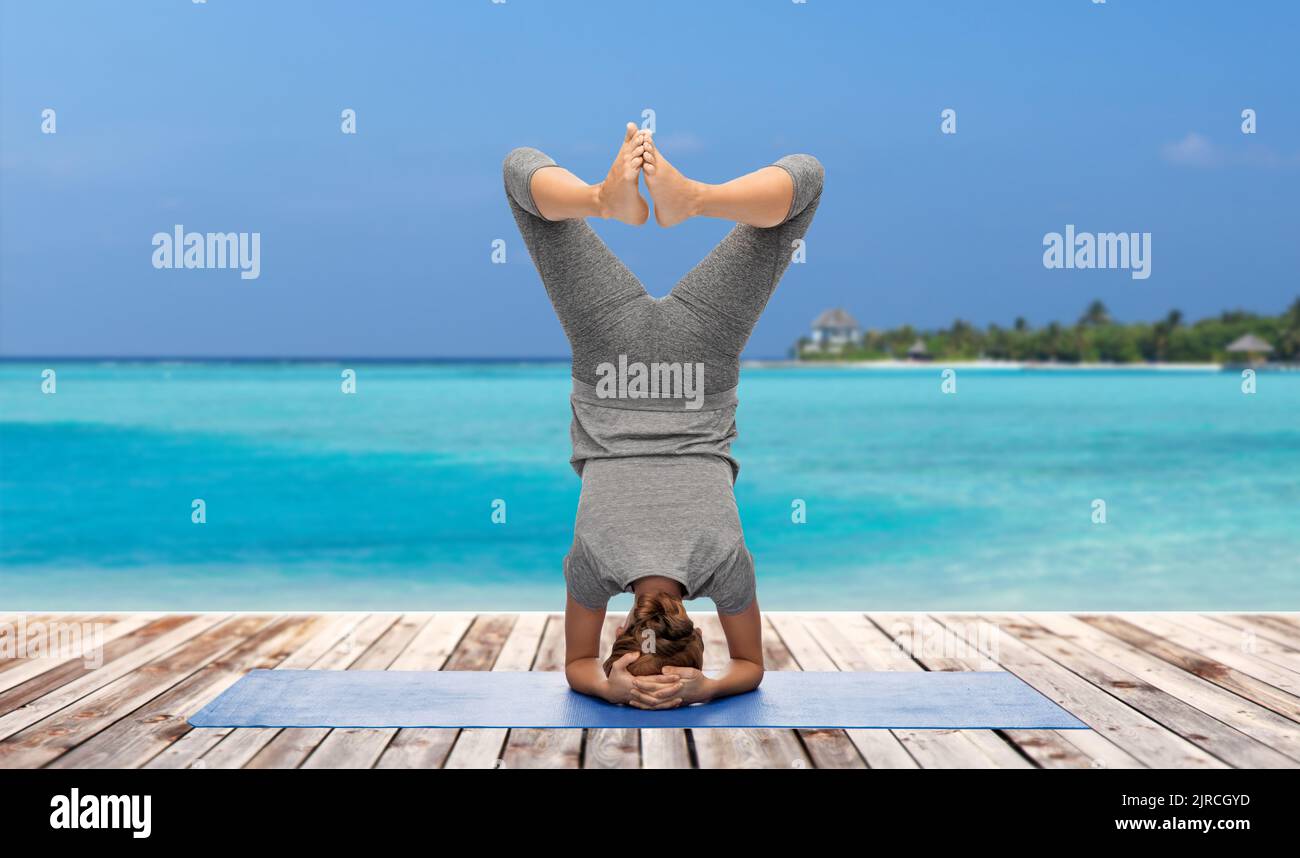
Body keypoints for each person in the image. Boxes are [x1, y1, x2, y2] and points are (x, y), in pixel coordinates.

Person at [503, 123, 823, 709]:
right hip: (610, 360)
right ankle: (606, 199)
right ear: (620, 629)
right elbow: (576, 665)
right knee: (519, 171)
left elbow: (750, 667)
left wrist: (707, 686)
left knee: (806, 178)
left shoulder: (725, 567)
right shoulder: (592, 567)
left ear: (697, 636)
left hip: (700, 361)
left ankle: (690, 198)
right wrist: (612, 685)